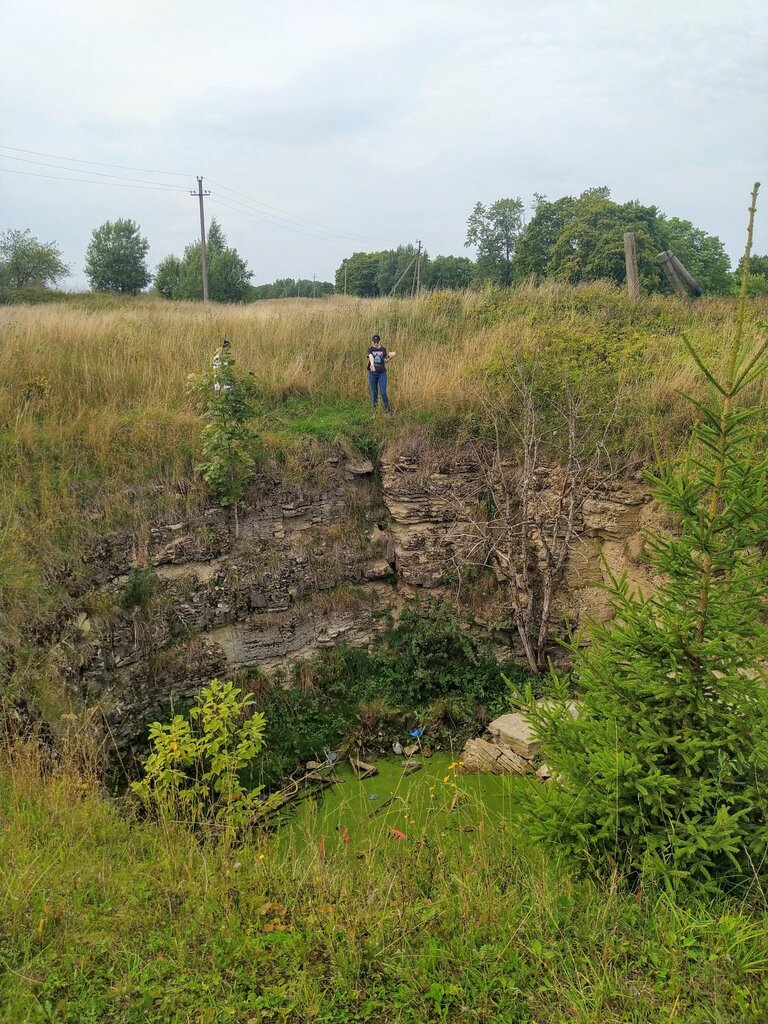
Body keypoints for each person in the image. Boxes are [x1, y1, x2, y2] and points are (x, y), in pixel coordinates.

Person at [366, 334, 396, 412]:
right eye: (374, 342)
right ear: (372, 342)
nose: (375, 343)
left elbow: (384, 361)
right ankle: (374, 411)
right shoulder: (370, 349)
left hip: (382, 373)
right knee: (374, 392)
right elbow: (371, 357)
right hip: (372, 374)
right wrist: (372, 365)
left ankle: (387, 410)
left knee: (383, 392)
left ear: (379, 341)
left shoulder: (383, 349)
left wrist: (390, 357)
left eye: (377, 342)